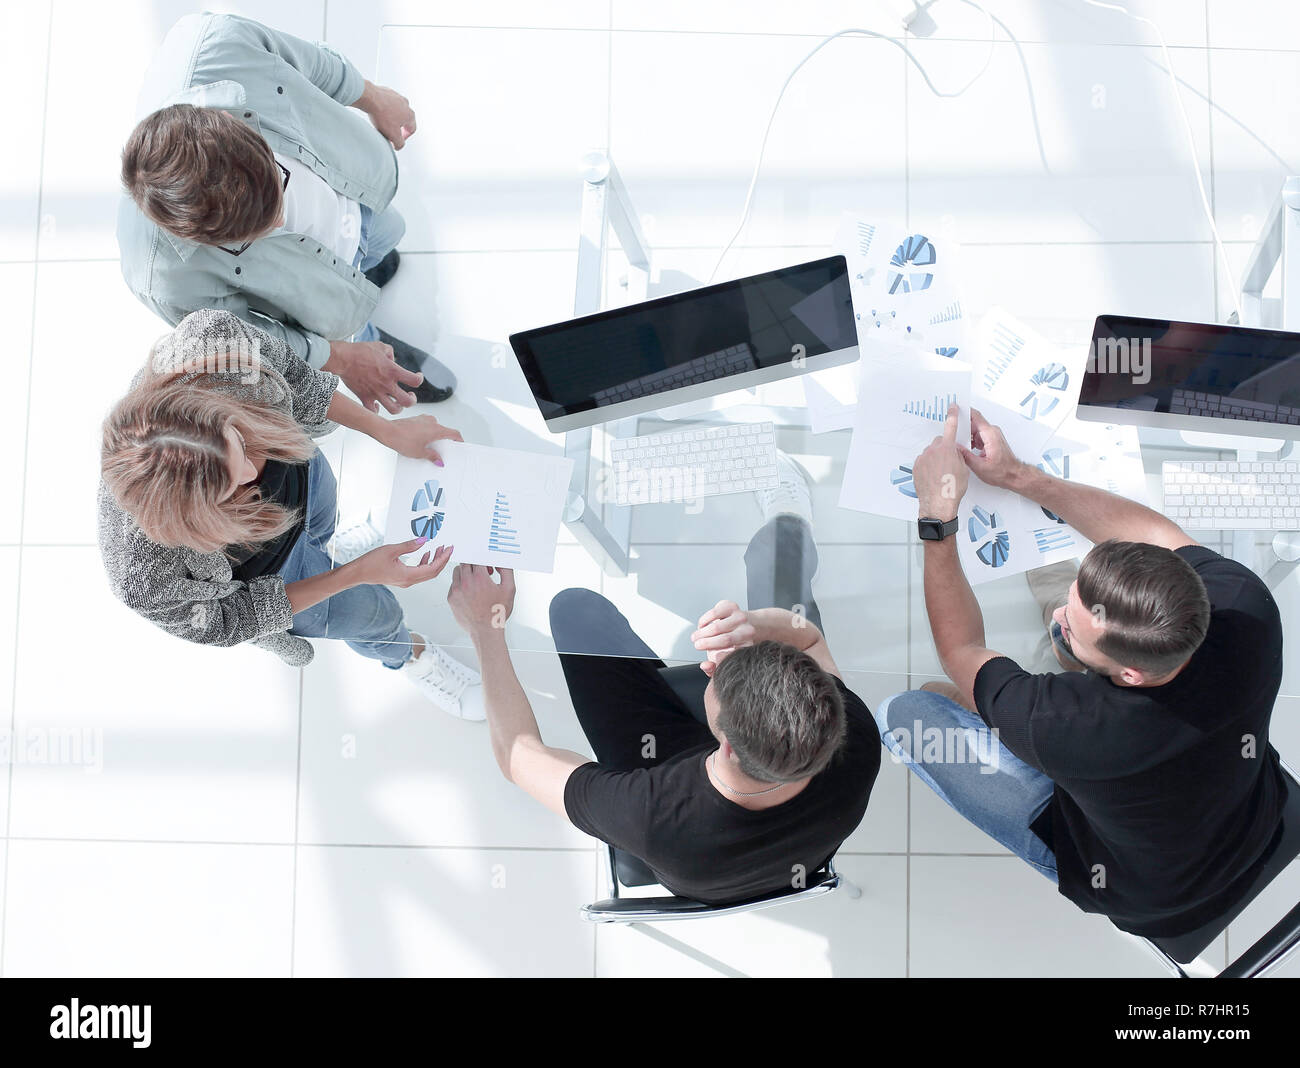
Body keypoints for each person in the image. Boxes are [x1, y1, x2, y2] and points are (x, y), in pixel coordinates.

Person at [877, 403, 1287, 937]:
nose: (1058, 617)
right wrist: (1020, 476)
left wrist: (937, 518)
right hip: (1255, 823)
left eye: (1071, 626)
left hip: (1147, 892)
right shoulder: (1245, 607)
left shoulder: (1068, 725)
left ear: (1131, 676)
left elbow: (961, 650)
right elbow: (1158, 531)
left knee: (910, 709)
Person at [445, 455, 881, 904]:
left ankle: (783, 532)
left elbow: (516, 757)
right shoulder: (857, 738)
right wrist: (752, 623)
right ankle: (787, 524)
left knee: (575, 610)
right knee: (786, 584)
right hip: (785, 838)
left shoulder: (649, 812)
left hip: (684, 813)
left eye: (716, 675)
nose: (709, 665)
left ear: (724, 743)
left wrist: (485, 628)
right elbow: (808, 642)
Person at [99, 309, 484, 720]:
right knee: (374, 612)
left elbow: (296, 379)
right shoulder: (142, 574)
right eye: (232, 486)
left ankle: (327, 547)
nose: (256, 474)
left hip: (304, 476)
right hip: (269, 573)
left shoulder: (211, 342)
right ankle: (408, 654)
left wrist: (386, 431)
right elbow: (232, 619)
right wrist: (355, 574)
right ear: (192, 520)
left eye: (241, 440)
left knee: (322, 523)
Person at [117, 11, 453, 416]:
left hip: (353, 180)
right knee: (351, 319)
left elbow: (309, 63)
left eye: (277, 183)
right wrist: (346, 358)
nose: (280, 223)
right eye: (252, 235)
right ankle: (368, 333)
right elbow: (259, 339)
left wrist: (374, 96)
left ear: (230, 120)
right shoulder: (166, 283)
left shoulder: (218, 44)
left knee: (386, 234)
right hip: (315, 294)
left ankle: (365, 272)